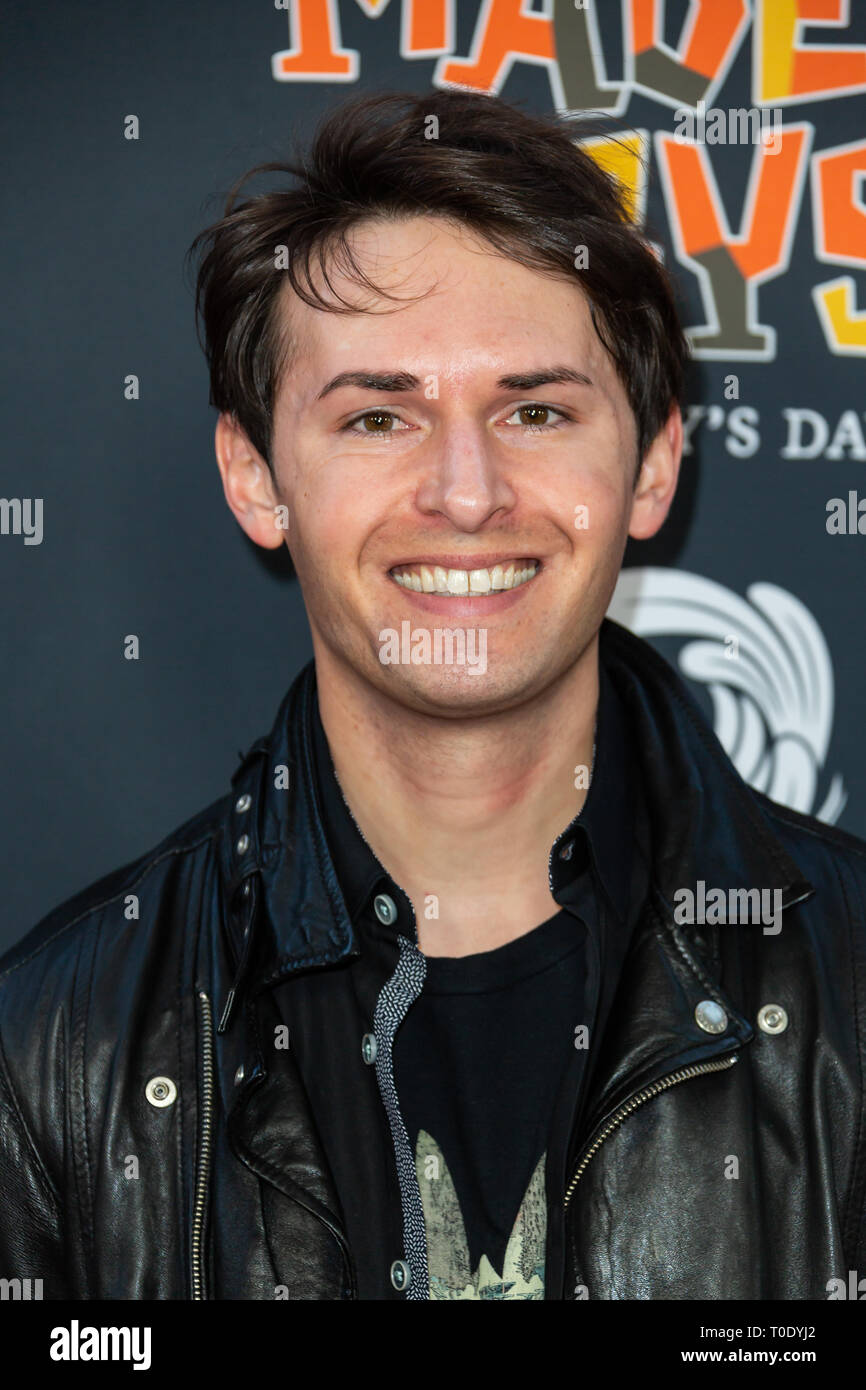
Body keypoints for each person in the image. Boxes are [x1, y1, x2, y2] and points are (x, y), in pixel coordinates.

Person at [1, 89, 864, 1302]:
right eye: (376, 415)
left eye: (533, 409)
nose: (465, 492)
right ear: (256, 478)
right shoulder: (50, 1054)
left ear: (653, 464)